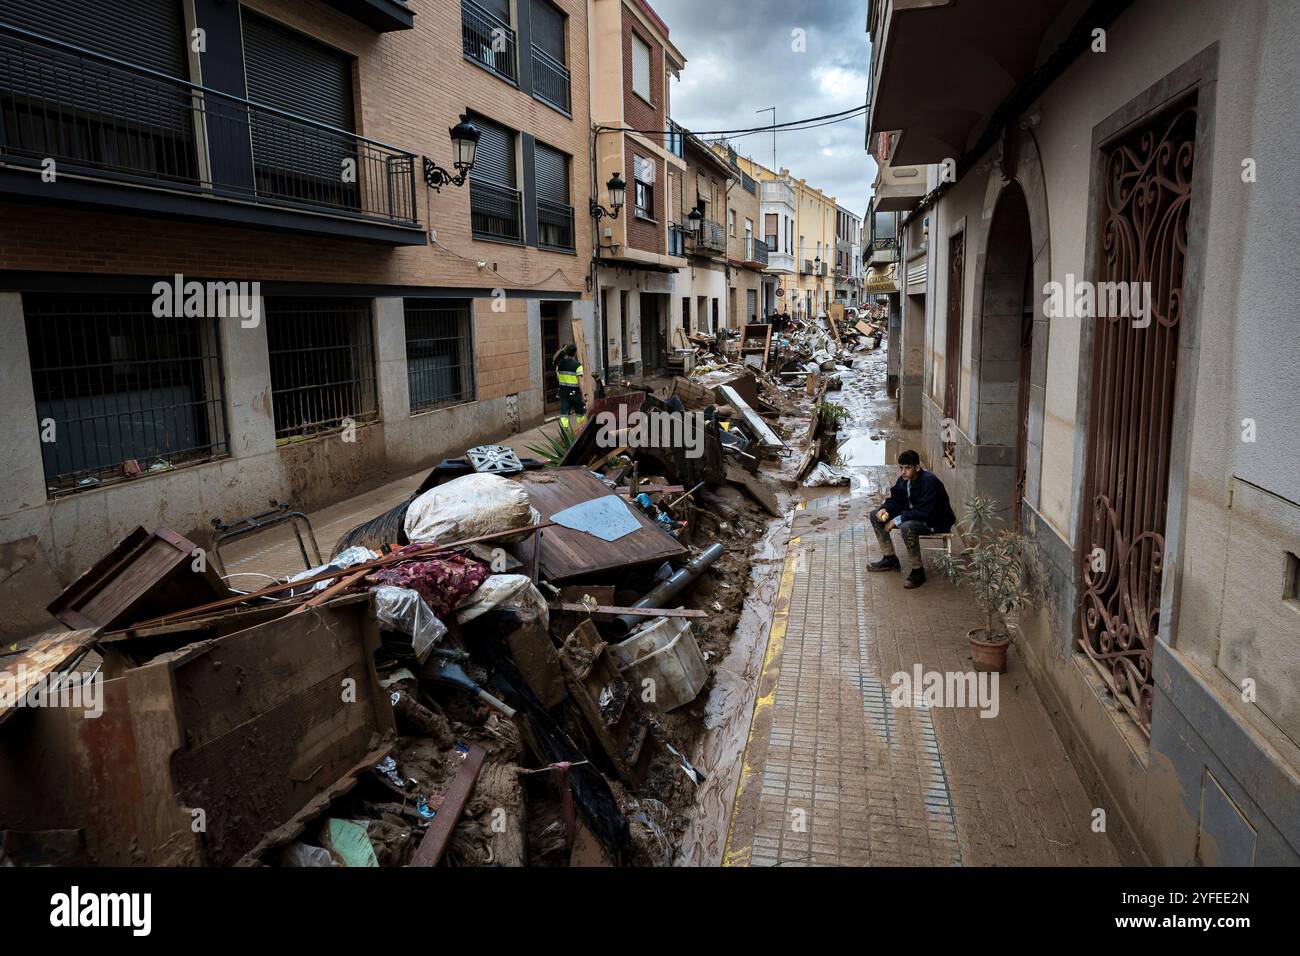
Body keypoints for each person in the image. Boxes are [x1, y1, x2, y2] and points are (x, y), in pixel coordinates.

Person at [867, 449, 955, 589]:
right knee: (874, 515)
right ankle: (890, 558)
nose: (903, 471)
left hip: (935, 521)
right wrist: (885, 509)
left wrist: (896, 520)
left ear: (917, 467)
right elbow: (895, 499)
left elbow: (926, 513)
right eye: (901, 467)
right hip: (915, 516)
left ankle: (917, 571)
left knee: (906, 526)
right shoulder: (904, 480)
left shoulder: (930, 482)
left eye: (907, 468)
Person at [553, 344, 587, 432]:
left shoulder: (559, 365)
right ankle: (580, 431)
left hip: (564, 393)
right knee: (580, 414)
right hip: (575, 394)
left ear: (566, 353)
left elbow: (554, 360)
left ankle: (564, 433)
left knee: (564, 414)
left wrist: (561, 350)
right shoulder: (578, 365)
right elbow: (581, 382)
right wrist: (584, 395)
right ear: (575, 353)